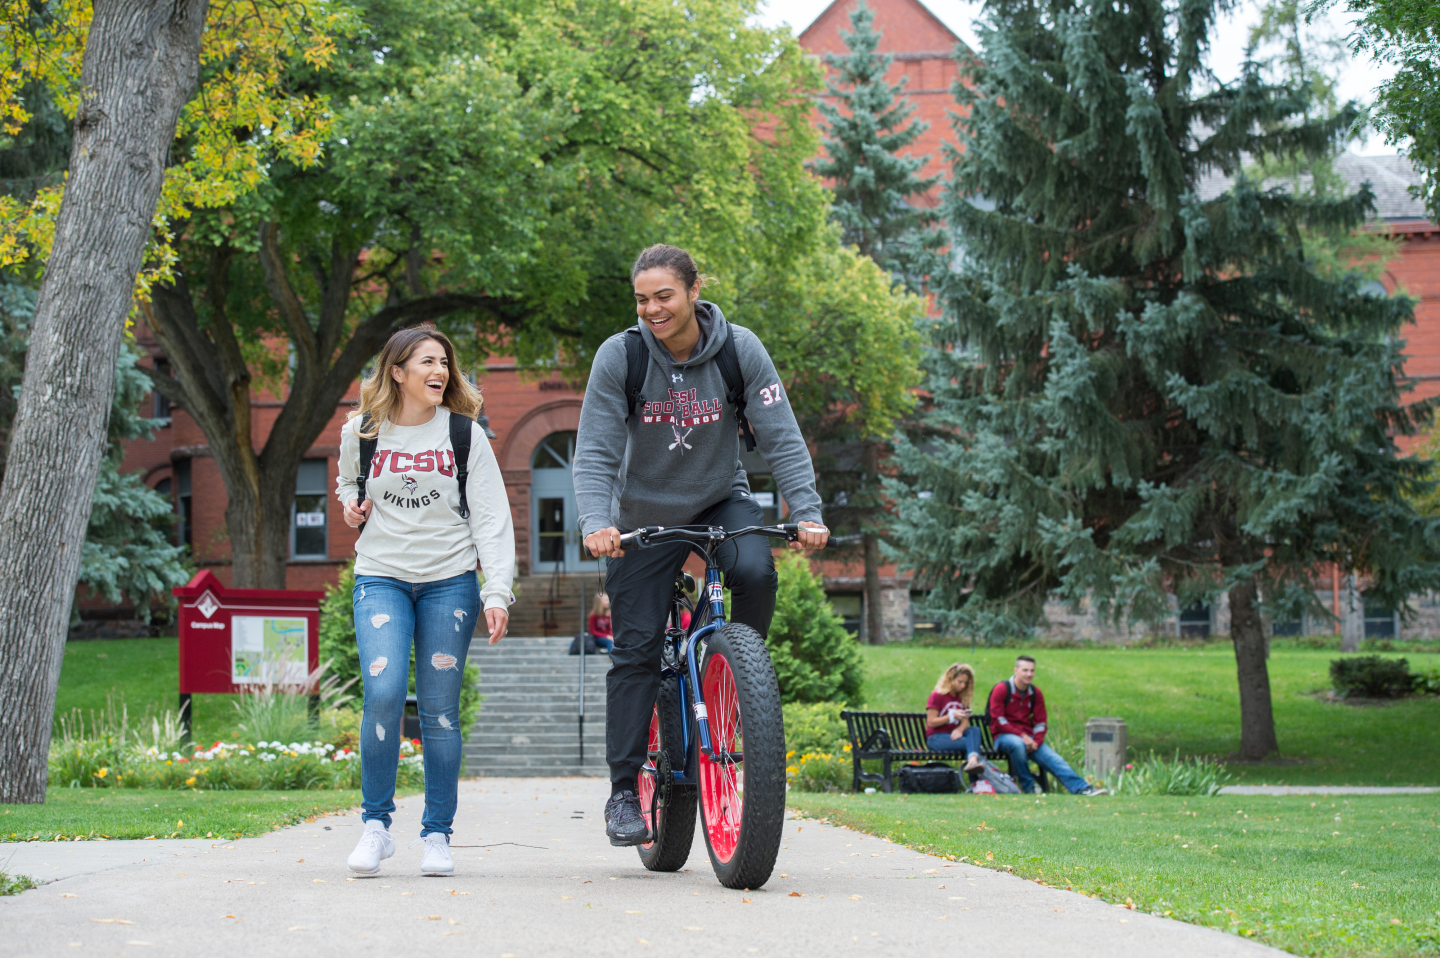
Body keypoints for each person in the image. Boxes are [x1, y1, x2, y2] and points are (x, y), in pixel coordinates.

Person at [574, 243, 829, 846]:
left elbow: (782, 437)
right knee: (635, 652)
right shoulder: (622, 356)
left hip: (720, 498)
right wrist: (594, 522)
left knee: (758, 571)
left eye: (664, 296)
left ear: (694, 290)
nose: (652, 309)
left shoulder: (740, 349)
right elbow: (595, 450)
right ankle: (621, 795)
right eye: (642, 299)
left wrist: (808, 510)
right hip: (641, 514)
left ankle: (739, 679)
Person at [336, 328, 516, 878]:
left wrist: (497, 590)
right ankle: (376, 827)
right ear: (398, 371)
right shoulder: (362, 431)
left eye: (444, 362)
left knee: (439, 711)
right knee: (384, 691)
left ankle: (437, 835)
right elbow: (348, 481)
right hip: (381, 577)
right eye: (427, 362)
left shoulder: (465, 435)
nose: (439, 370)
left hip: (449, 582)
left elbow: (491, 517)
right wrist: (350, 506)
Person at [987, 655, 1106, 796]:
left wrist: (1035, 742)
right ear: (1016, 670)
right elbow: (998, 720)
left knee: (1054, 759)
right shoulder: (1002, 689)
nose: (1029, 674)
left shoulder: (1035, 693)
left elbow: (1041, 723)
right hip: (1003, 737)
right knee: (1018, 744)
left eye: (1032, 671)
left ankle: (1082, 788)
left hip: (1030, 740)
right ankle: (1029, 788)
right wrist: (1023, 737)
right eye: (1025, 670)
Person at [925, 663, 984, 773]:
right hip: (936, 738)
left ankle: (972, 762)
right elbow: (931, 722)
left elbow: (965, 722)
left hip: (954, 736)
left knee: (975, 730)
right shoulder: (937, 696)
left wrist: (960, 729)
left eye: (965, 683)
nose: (962, 686)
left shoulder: (962, 697)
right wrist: (952, 716)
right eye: (960, 682)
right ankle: (974, 773)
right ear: (950, 679)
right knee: (972, 744)